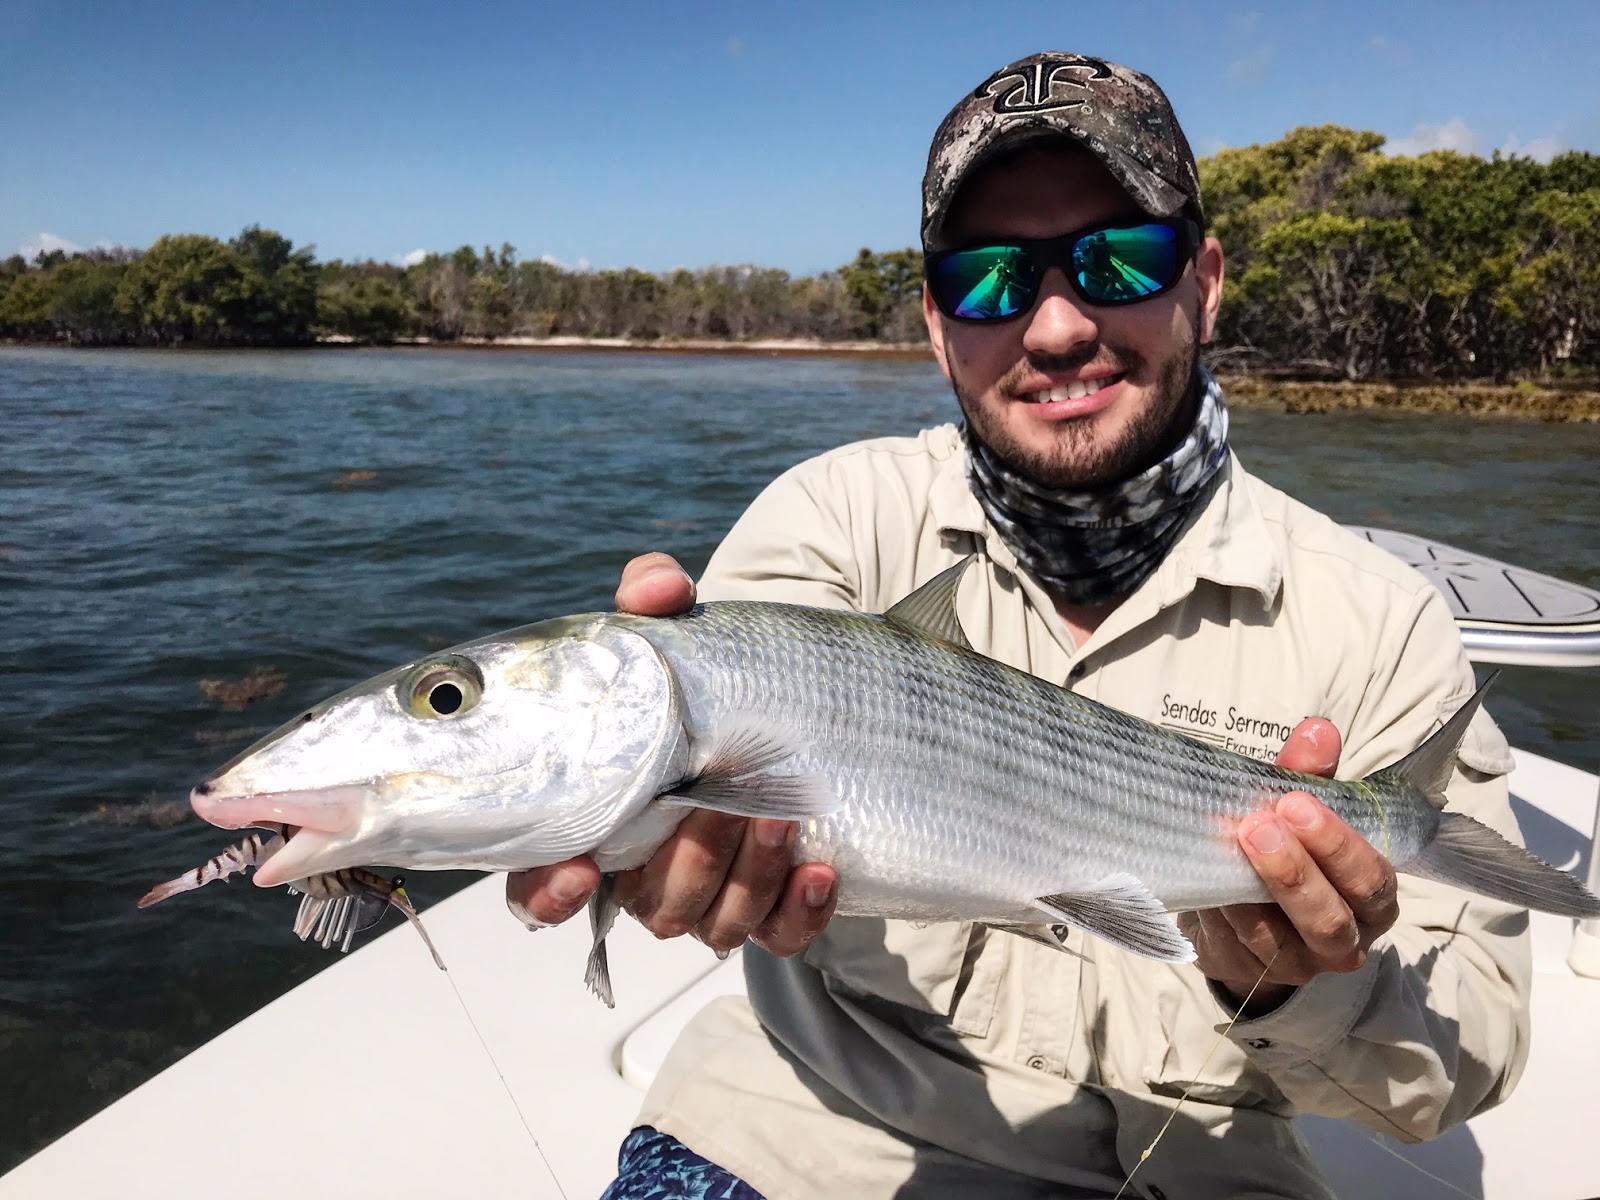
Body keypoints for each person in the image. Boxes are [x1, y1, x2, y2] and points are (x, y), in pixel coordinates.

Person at [508, 51, 1531, 1200]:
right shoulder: (831, 521)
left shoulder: (1380, 619)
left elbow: (1464, 1062)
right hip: (802, 1133)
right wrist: (631, 855)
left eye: (1117, 257)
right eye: (987, 278)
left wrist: (1294, 985)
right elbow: (702, 783)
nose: (1052, 326)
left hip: (1197, 1171)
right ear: (937, 322)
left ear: (1203, 282)